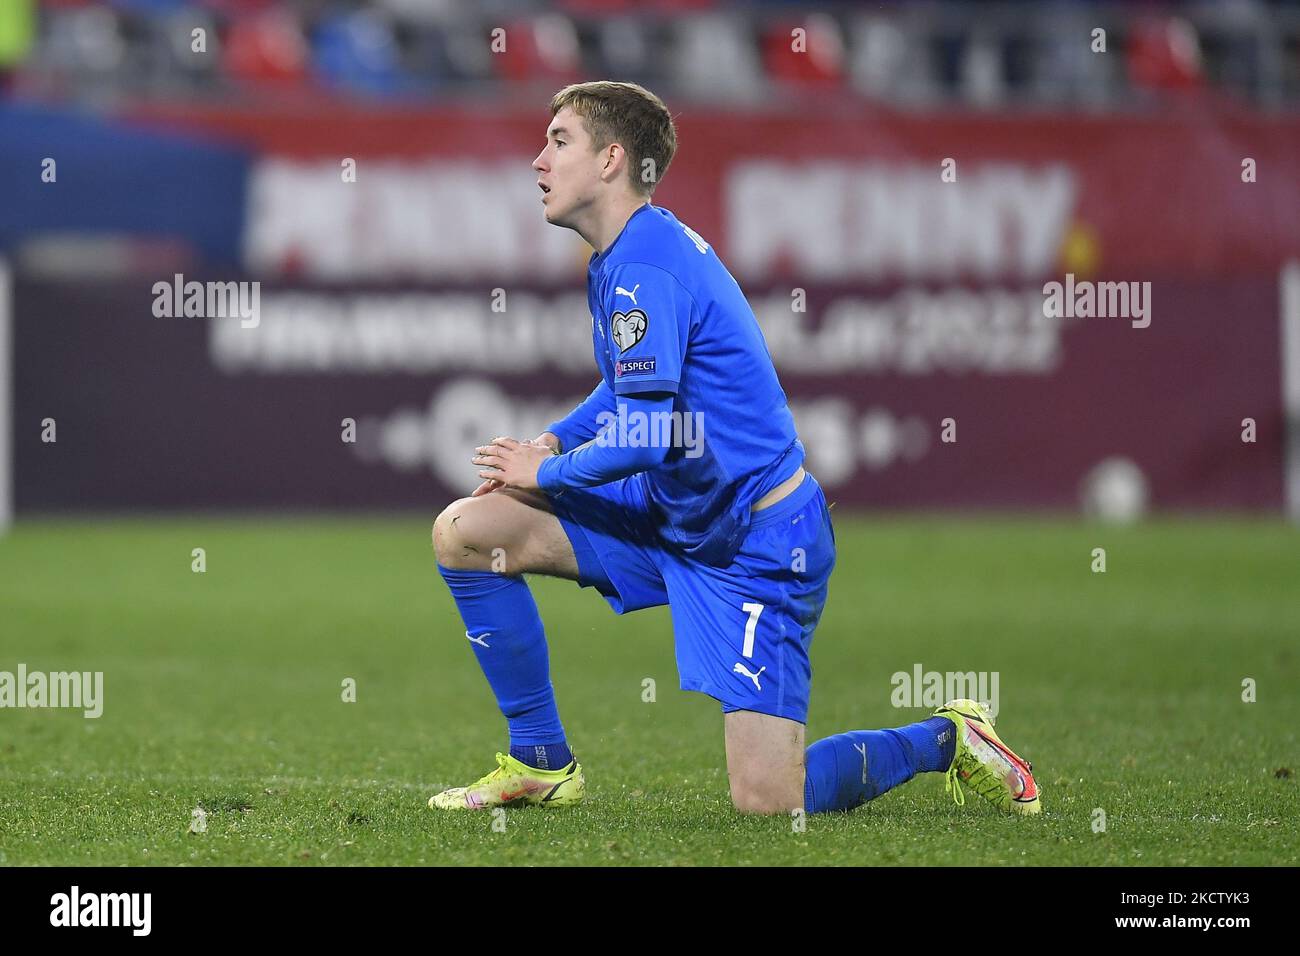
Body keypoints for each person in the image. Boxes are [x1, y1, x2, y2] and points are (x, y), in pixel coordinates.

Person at [429, 81, 1039, 816]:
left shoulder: (644, 266)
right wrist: (557, 438)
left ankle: (946, 737)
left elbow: (650, 435)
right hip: (672, 513)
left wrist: (548, 470)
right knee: (467, 534)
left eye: (559, 141)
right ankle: (541, 762)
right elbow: (628, 394)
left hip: (756, 543)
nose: (538, 160)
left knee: (769, 803)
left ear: (613, 160)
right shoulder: (630, 251)